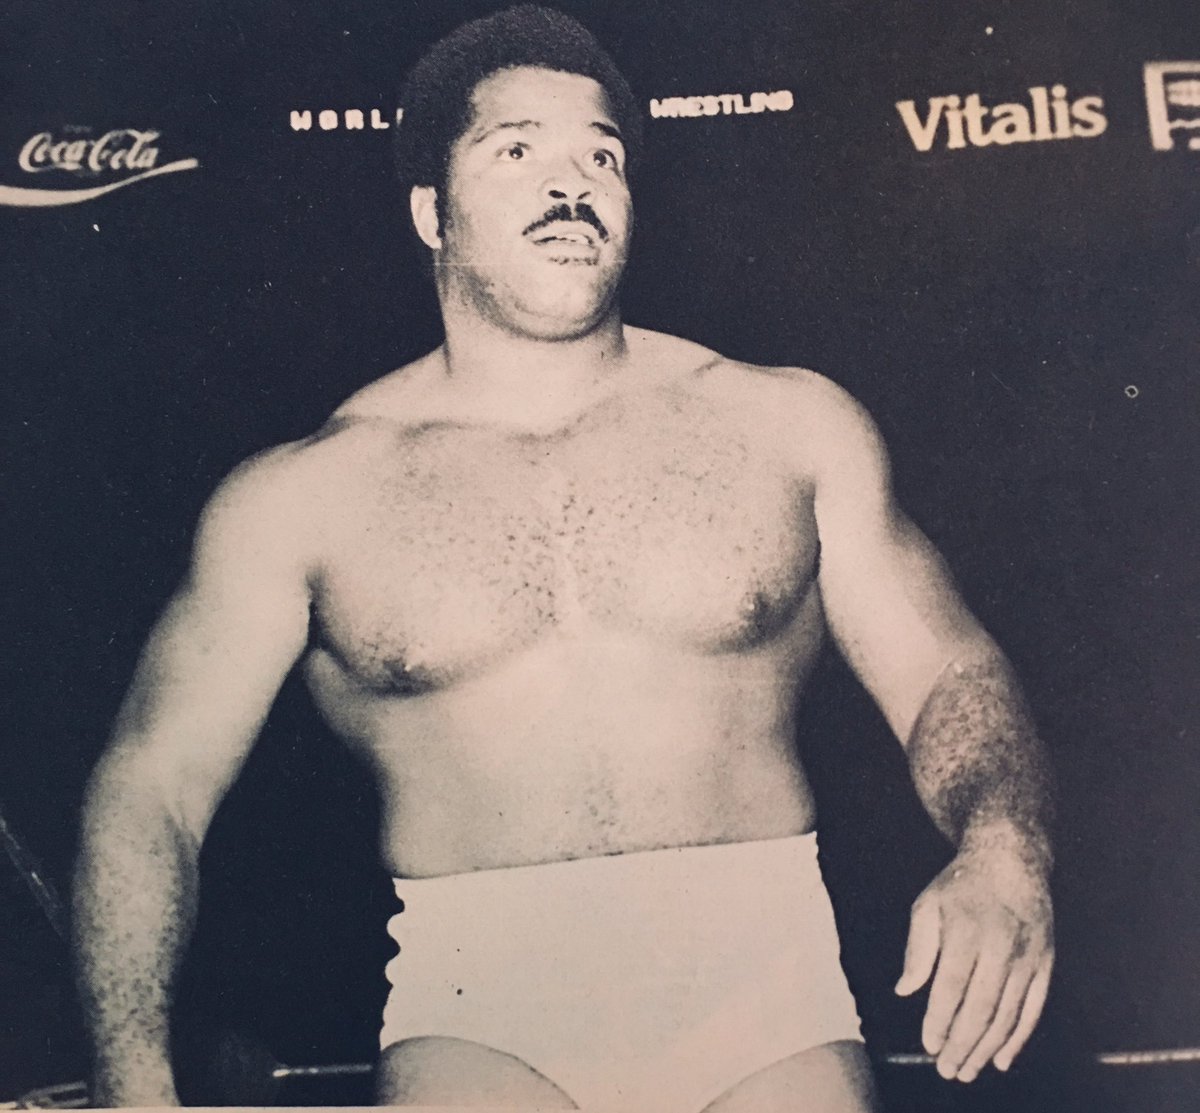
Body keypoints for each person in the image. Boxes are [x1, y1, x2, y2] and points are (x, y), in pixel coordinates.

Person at [73, 6, 1055, 1110]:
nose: (571, 184)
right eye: (516, 150)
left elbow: (945, 671)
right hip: (478, 1007)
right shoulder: (302, 498)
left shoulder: (788, 426)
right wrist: (132, 1080)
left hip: (765, 987)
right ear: (430, 213)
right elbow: (153, 787)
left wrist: (1003, 848)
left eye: (602, 156)